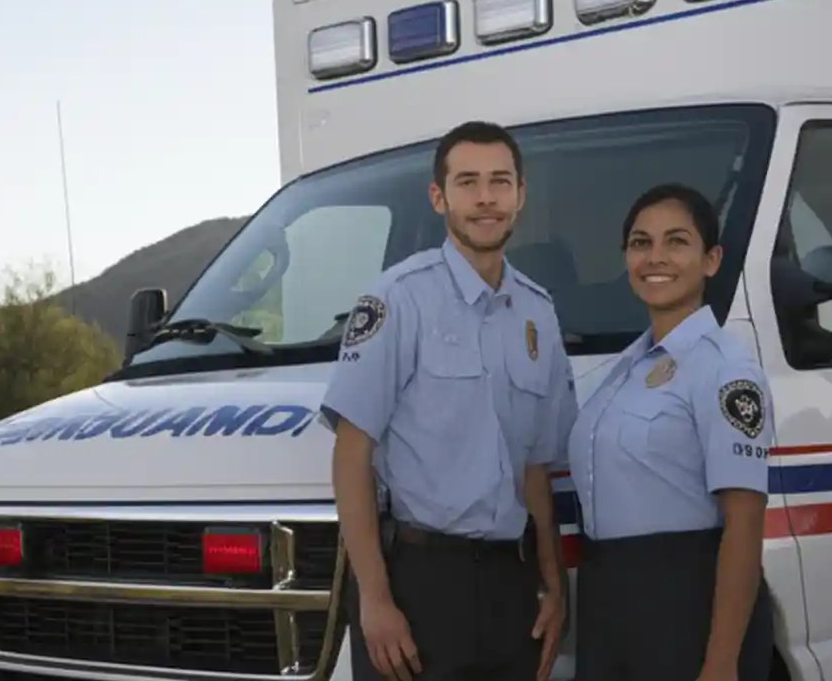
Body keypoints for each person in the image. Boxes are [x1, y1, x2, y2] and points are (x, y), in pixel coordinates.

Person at [320, 121, 578, 681]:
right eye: (467, 182)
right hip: (420, 585)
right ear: (439, 197)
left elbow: (537, 470)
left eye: (499, 182)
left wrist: (553, 587)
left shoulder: (539, 313)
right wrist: (376, 600)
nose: (485, 198)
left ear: (520, 194)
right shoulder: (397, 300)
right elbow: (350, 457)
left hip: (513, 584)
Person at [567, 183, 775, 681]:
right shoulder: (624, 369)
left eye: (677, 241)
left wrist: (722, 661)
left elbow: (744, 525)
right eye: (641, 243)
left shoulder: (726, 370)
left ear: (711, 259)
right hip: (609, 605)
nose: (655, 257)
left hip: (687, 605)